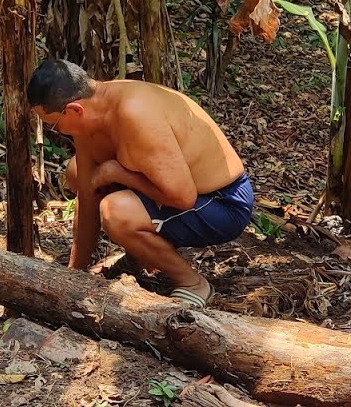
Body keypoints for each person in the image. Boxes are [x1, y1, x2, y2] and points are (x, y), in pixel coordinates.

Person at [27, 58, 254, 307]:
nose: (57, 132)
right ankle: (140, 256)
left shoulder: (134, 115)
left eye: (54, 125)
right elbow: (87, 193)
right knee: (76, 171)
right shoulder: (93, 112)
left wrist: (119, 174)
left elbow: (183, 197)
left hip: (222, 202)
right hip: (181, 194)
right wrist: (74, 272)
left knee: (116, 212)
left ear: (74, 110)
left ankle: (193, 283)